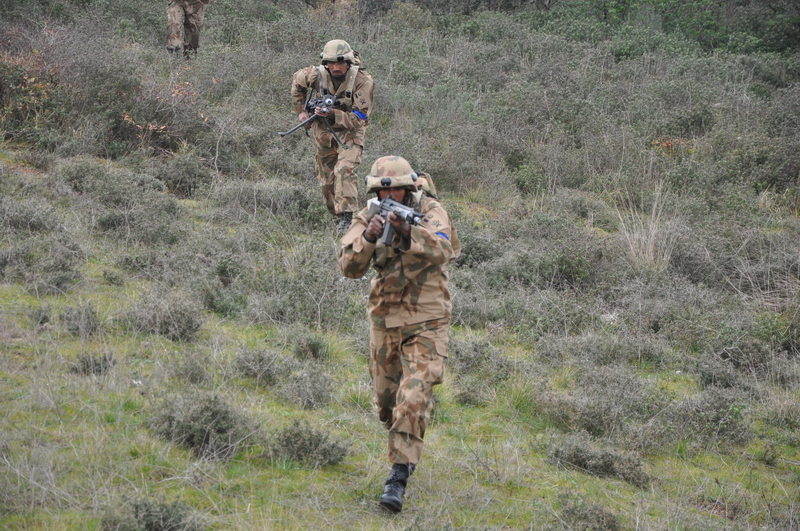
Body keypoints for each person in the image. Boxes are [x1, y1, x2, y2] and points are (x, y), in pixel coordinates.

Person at [338, 156, 460, 513]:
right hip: (385, 318)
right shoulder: (368, 215)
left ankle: (398, 477)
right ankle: (405, 439)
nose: (390, 198)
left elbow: (444, 249)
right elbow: (348, 267)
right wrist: (368, 237)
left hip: (428, 319)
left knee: (414, 395)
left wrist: (408, 232)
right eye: (382, 193)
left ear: (409, 189)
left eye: (397, 192)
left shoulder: (431, 211)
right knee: (387, 404)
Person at [291, 39, 374, 234]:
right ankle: (336, 217)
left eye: (340, 63)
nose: (336, 67)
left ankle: (346, 219)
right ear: (325, 62)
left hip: (350, 131)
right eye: (331, 63)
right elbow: (297, 82)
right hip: (323, 131)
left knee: (345, 170)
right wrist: (301, 111)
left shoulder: (363, 81)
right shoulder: (315, 74)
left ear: (348, 62)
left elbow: (359, 119)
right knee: (327, 179)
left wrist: (332, 114)